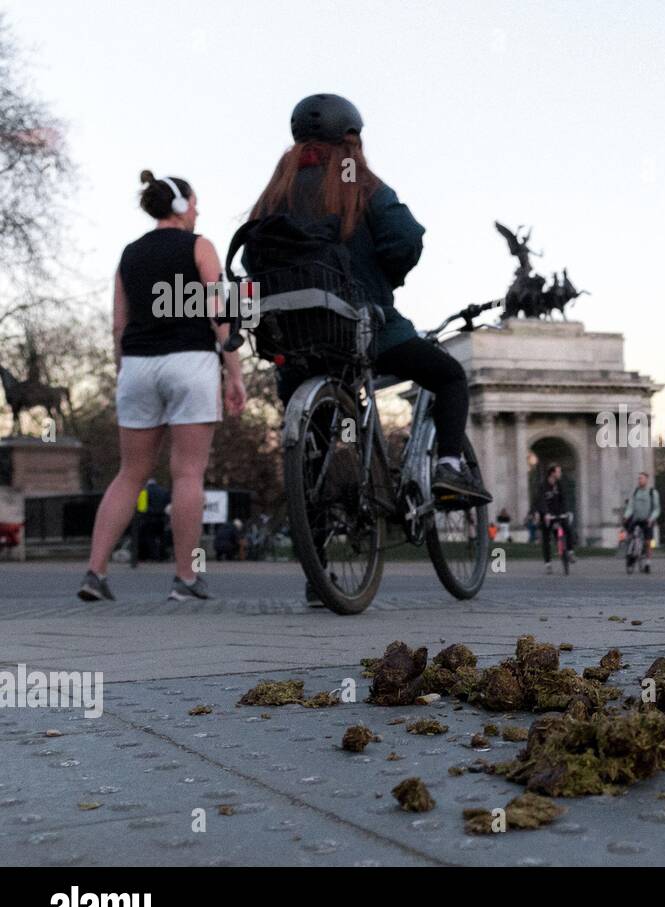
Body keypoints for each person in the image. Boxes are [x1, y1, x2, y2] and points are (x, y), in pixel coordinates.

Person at [247, 94, 488, 505]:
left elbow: (254, 258)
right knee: (449, 378)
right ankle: (449, 466)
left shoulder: (274, 194)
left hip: (293, 339)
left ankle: (317, 547)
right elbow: (405, 238)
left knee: (315, 445)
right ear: (351, 137)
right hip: (361, 325)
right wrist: (385, 278)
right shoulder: (357, 180)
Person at [79, 171, 246, 602]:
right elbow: (219, 312)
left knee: (130, 473)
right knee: (187, 472)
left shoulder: (128, 254)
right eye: (194, 202)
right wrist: (235, 373)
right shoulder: (200, 245)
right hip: (190, 362)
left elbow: (119, 324)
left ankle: (95, 574)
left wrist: (123, 371)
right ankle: (185, 579)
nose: (198, 210)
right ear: (179, 206)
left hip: (136, 366)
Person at [535, 463, 572, 573]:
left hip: (558, 513)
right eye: (558, 472)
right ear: (552, 473)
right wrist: (545, 513)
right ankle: (548, 563)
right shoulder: (543, 486)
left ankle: (569, 551)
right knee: (546, 539)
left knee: (567, 530)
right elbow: (541, 501)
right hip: (546, 515)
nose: (560, 474)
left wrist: (565, 512)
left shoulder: (559, 485)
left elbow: (563, 499)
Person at [623, 471, 661, 573]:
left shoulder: (652, 492)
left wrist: (652, 518)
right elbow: (630, 506)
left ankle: (648, 562)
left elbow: (657, 509)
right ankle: (630, 553)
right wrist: (626, 516)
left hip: (648, 520)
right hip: (636, 519)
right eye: (638, 478)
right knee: (629, 535)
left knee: (648, 542)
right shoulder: (635, 492)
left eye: (641, 478)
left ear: (646, 480)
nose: (639, 480)